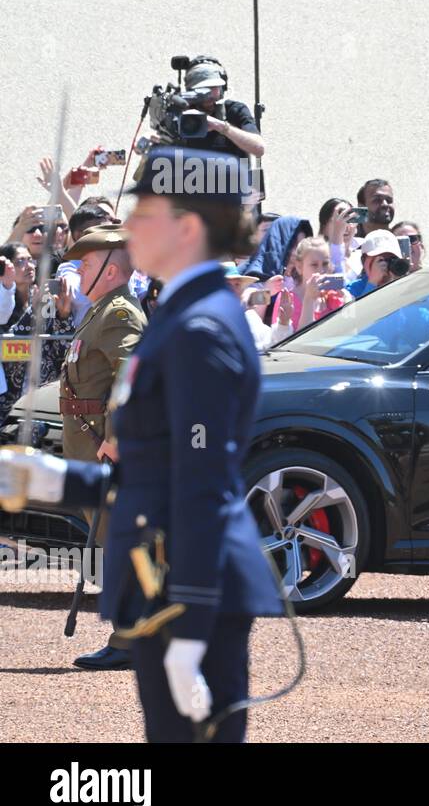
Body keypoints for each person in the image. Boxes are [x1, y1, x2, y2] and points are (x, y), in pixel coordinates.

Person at [0, 146, 283, 742]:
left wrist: (188, 633)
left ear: (185, 228)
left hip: (188, 591)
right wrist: (49, 481)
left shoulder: (200, 329)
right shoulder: (183, 316)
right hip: (166, 581)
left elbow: (201, 486)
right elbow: (159, 471)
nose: (129, 230)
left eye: (144, 213)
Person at [56, 225, 147, 671]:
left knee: (117, 542)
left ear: (110, 271)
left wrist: (116, 436)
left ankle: (130, 641)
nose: (78, 269)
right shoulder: (100, 310)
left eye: (87, 264)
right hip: (88, 445)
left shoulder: (120, 313)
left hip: (105, 447)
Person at [0, 242, 74, 423]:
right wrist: (33, 311)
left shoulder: (46, 299)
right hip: (11, 402)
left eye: (30, 260)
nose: (29, 266)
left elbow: (60, 351)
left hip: (44, 401)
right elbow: (8, 352)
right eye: (20, 262)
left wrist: (64, 315)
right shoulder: (4, 302)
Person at [178, 57, 265, 159]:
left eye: (213, 87)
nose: (208, 94)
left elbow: (259, 148)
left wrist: (222, 127)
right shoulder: (181, 112)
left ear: (222, 88)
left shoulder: (235, 110)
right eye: (202, 89)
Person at [269, 237, 347, 344]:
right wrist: (309, 299)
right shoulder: (288, 299)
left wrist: (348, 300)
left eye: (325, 264)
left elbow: (350, 333)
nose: (321, 270)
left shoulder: (333, 296)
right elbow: (301, 343)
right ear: (299, 267)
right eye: (314, 265)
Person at [347, 229, 409, 299]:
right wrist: (372, 283)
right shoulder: (351, 290)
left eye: (392, 259)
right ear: (363, 261)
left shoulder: (408, 288)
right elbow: (361, 310)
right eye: (380, 260)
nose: (385, 265)